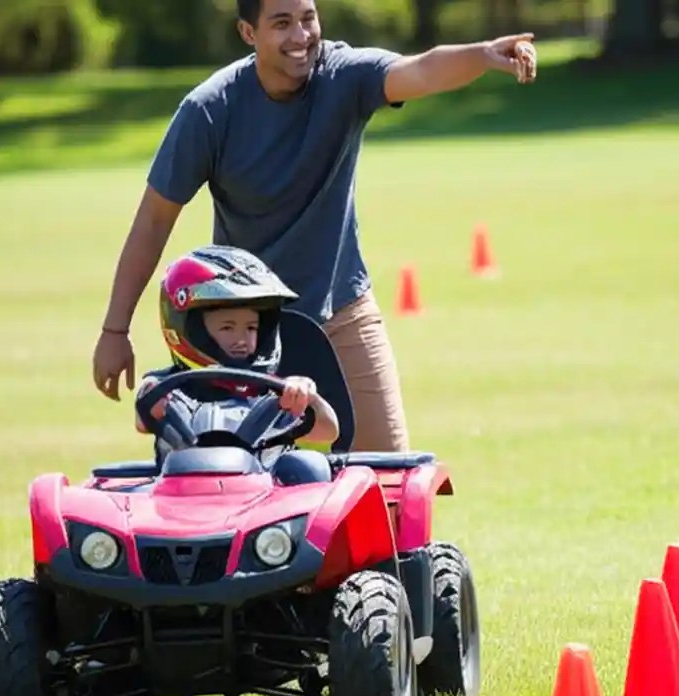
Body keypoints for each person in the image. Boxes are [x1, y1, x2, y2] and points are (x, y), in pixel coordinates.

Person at [92, 0, 538, 453]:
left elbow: (420, 70)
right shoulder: (210, 109)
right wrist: (115, 330)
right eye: (282, 24)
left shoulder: (343, 76)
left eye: (308, 19)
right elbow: (154, 219)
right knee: (241, 481)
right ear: (249, 33)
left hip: (341, 307)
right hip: (245, 327)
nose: (301, 36)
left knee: (388, 473)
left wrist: (483, 54)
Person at [136, 245, 339, 485]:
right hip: (183, 508)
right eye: (227, 328)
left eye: (251, 328)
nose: (241, 340)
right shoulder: (171, 390)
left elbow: (329, 430)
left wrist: (306, 399)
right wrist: (153, 400)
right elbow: (143, 415)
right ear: (190, 330)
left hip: (266, 512)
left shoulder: (277, 394)